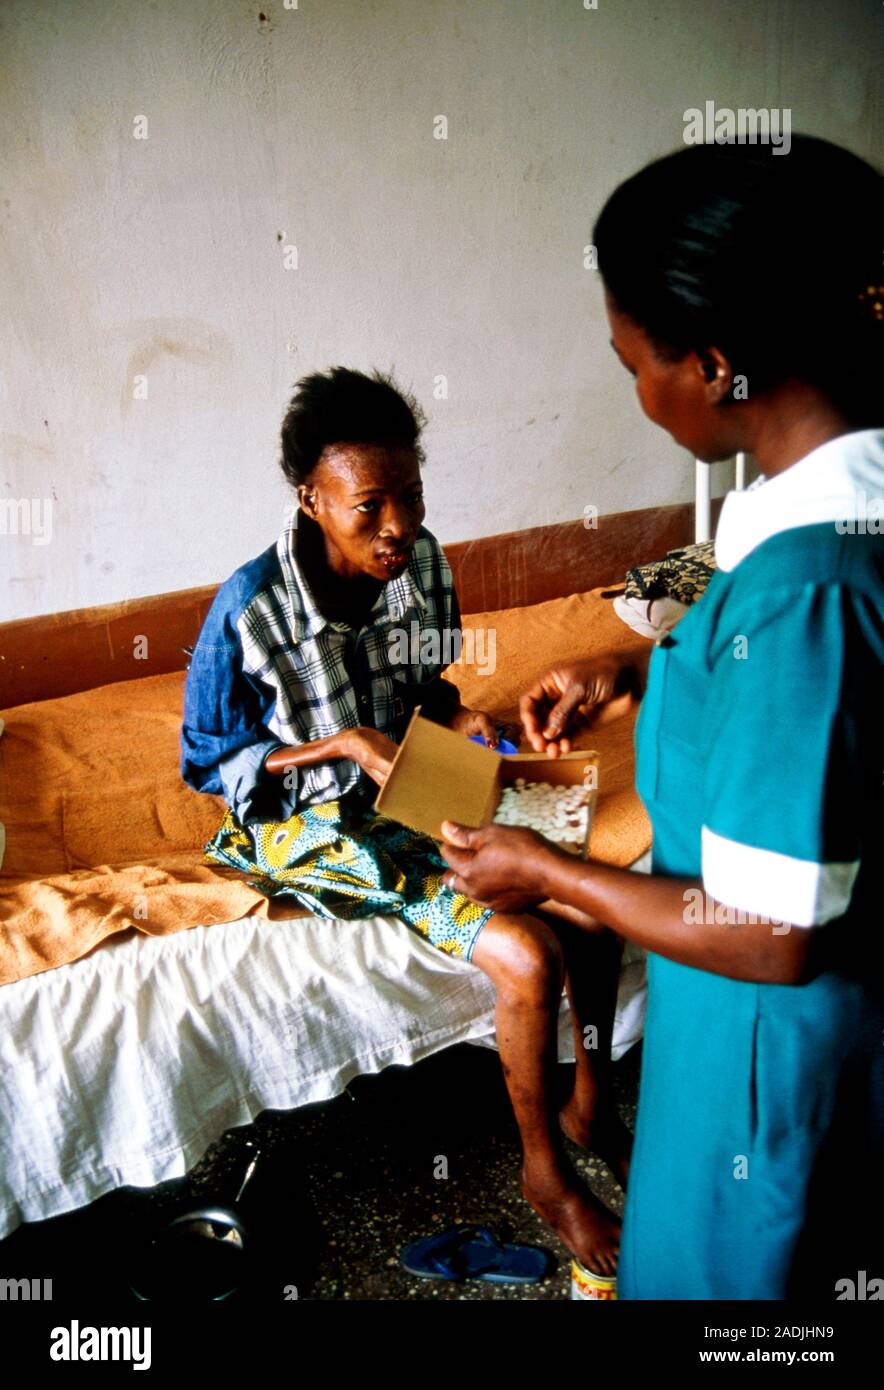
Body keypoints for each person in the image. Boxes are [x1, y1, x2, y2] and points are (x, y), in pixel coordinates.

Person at [440, 135, 884, 1299]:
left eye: (631, 362)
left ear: (715, 364)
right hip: (724, 1017)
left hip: (767, 1042)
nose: (634, 392)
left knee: (738, 1284)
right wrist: (620, 652)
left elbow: (771, 931)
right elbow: (721, 552)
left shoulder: (810, 601)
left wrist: (546, 873)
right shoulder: (824, 470)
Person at [181, 366, 631, 1275]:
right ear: (311, 498)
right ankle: (546, 1175)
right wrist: (344, 745)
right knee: (528, 949)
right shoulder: (251, 608)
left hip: (416, 778)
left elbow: (430, 689)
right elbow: (209, 765)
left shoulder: (422, 564)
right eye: (370, 505)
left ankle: (592, 1102)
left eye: (412, 495)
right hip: (306, 822)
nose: (399, 525)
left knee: (584, 897)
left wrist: (464, 724)